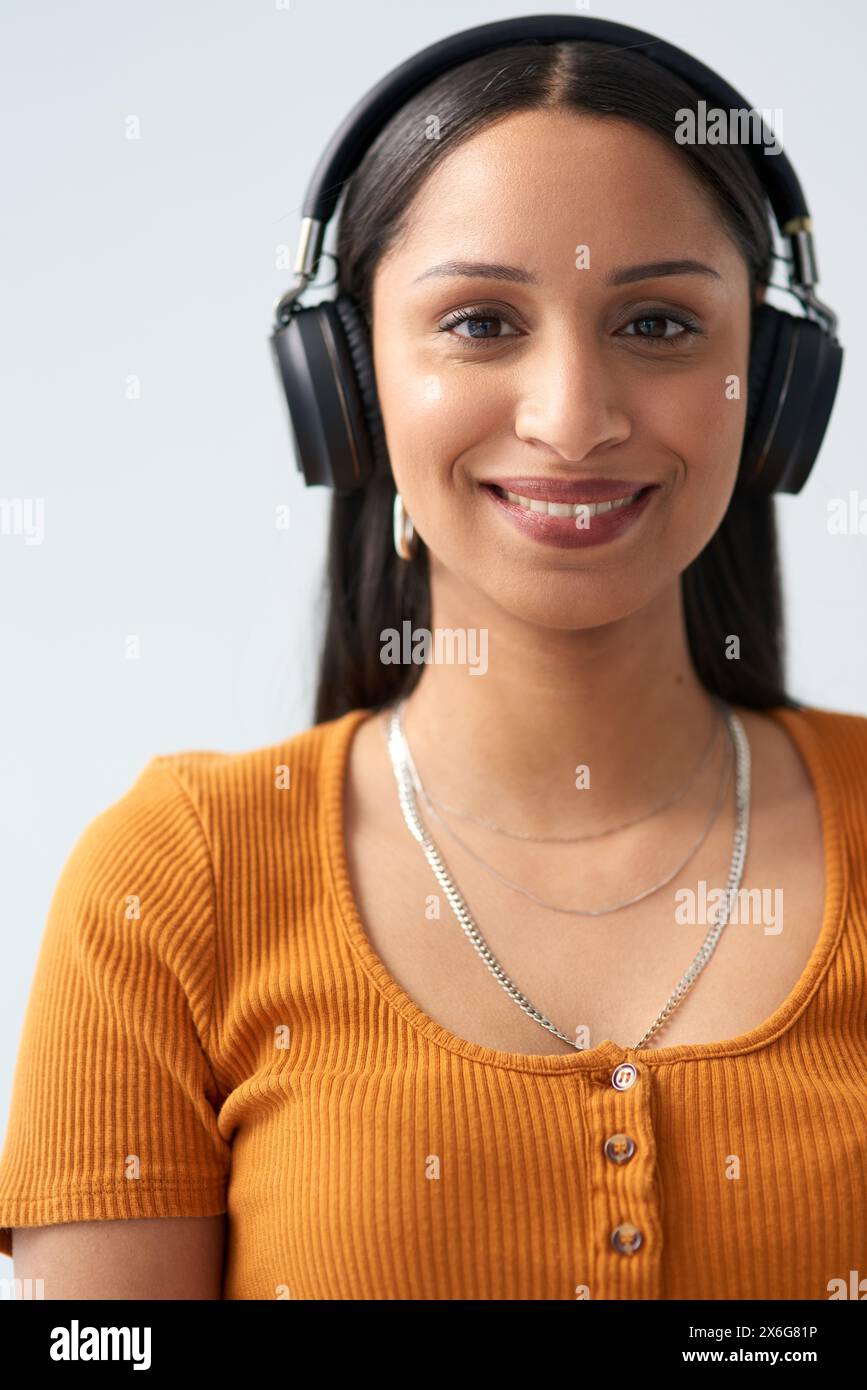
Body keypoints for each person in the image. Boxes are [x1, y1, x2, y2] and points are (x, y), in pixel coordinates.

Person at [1, 34, 864, 1302]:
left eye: (660, 322)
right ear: (348, 388)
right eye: (478, 322)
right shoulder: (174, 886)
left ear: (773, 386)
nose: (573, 417)